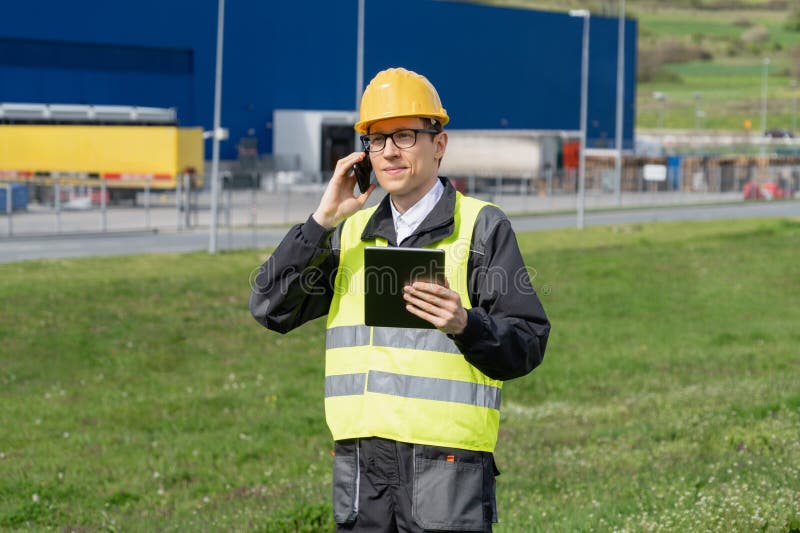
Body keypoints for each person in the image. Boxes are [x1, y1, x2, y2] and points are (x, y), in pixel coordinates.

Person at [250, 67, 550, 532]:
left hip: (446, 467)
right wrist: (320, 221)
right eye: (376, 139)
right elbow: (270, 306)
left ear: (440, 144)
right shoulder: (348, 233)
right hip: (362, 468)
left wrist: (465, 324)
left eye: (405, 135)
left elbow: (527, 343)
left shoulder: (481, 229)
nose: (389, 151)